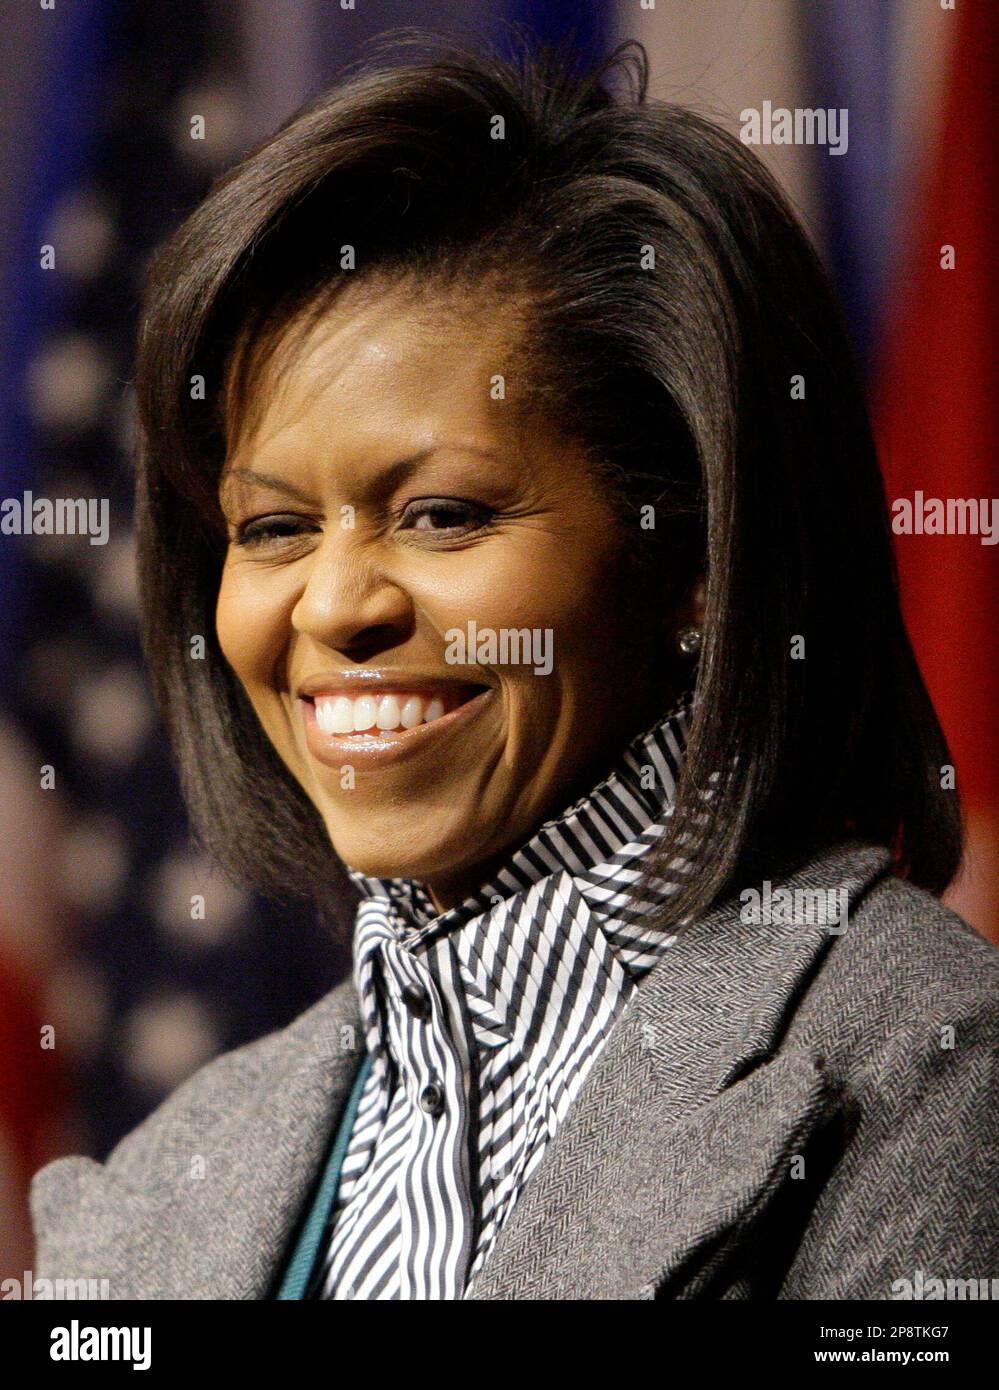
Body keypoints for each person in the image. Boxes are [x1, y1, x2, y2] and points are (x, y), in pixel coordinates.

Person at [30, 37, 999, 1300]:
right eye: (271, 528)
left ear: (696, 555)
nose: (333, 605)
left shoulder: (926, 1065)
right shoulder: (166, 1178)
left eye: (441, 515)